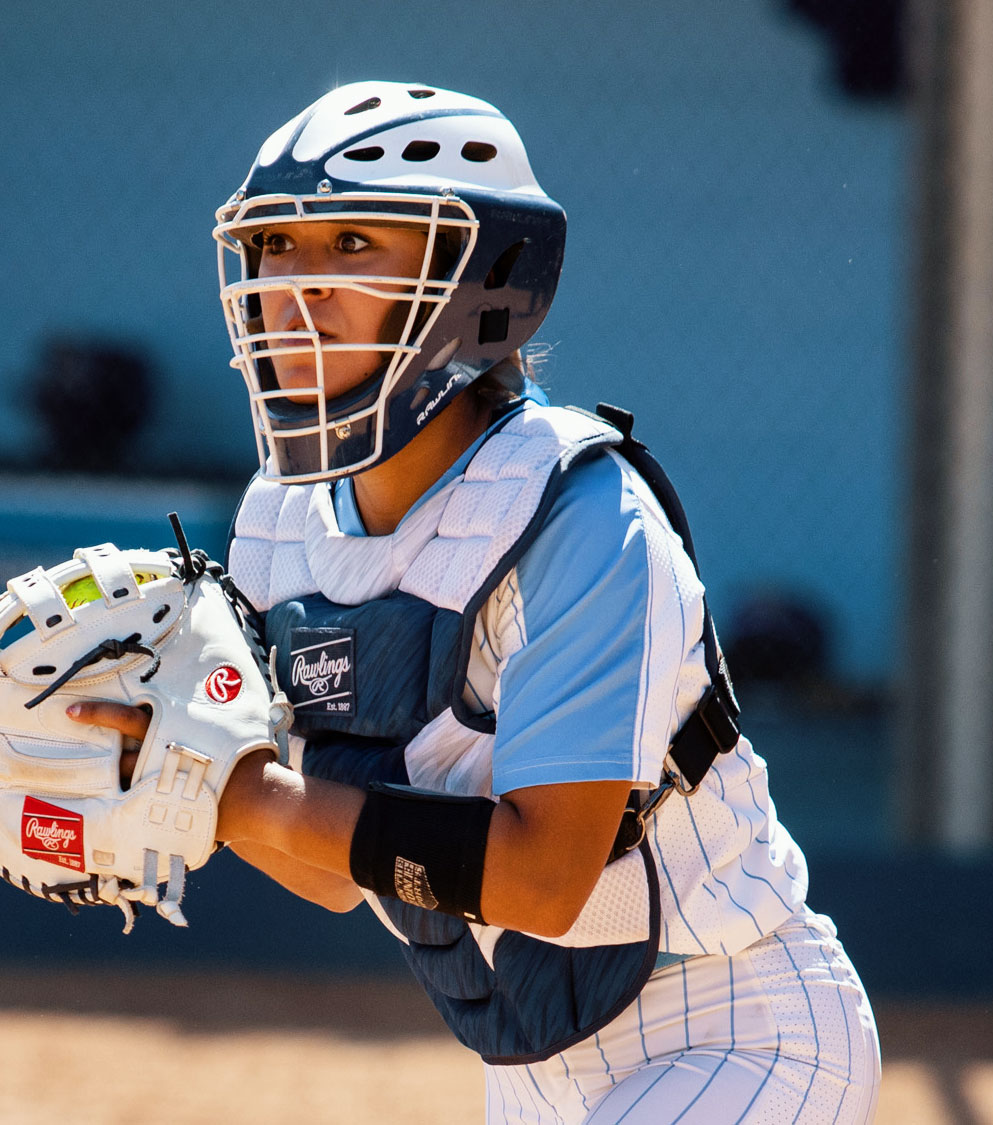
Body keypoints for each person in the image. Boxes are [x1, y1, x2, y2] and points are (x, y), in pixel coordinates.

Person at [69, 82, 880, 1123]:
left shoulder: (582, 517)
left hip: (732, 1031)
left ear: (485, 278)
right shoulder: (281, 524)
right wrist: (174, 779)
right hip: (529, 1072)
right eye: (274, 248)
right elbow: (330, 875)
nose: (291, 289)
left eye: (351, 243)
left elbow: (545, 879)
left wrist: (241, 796)